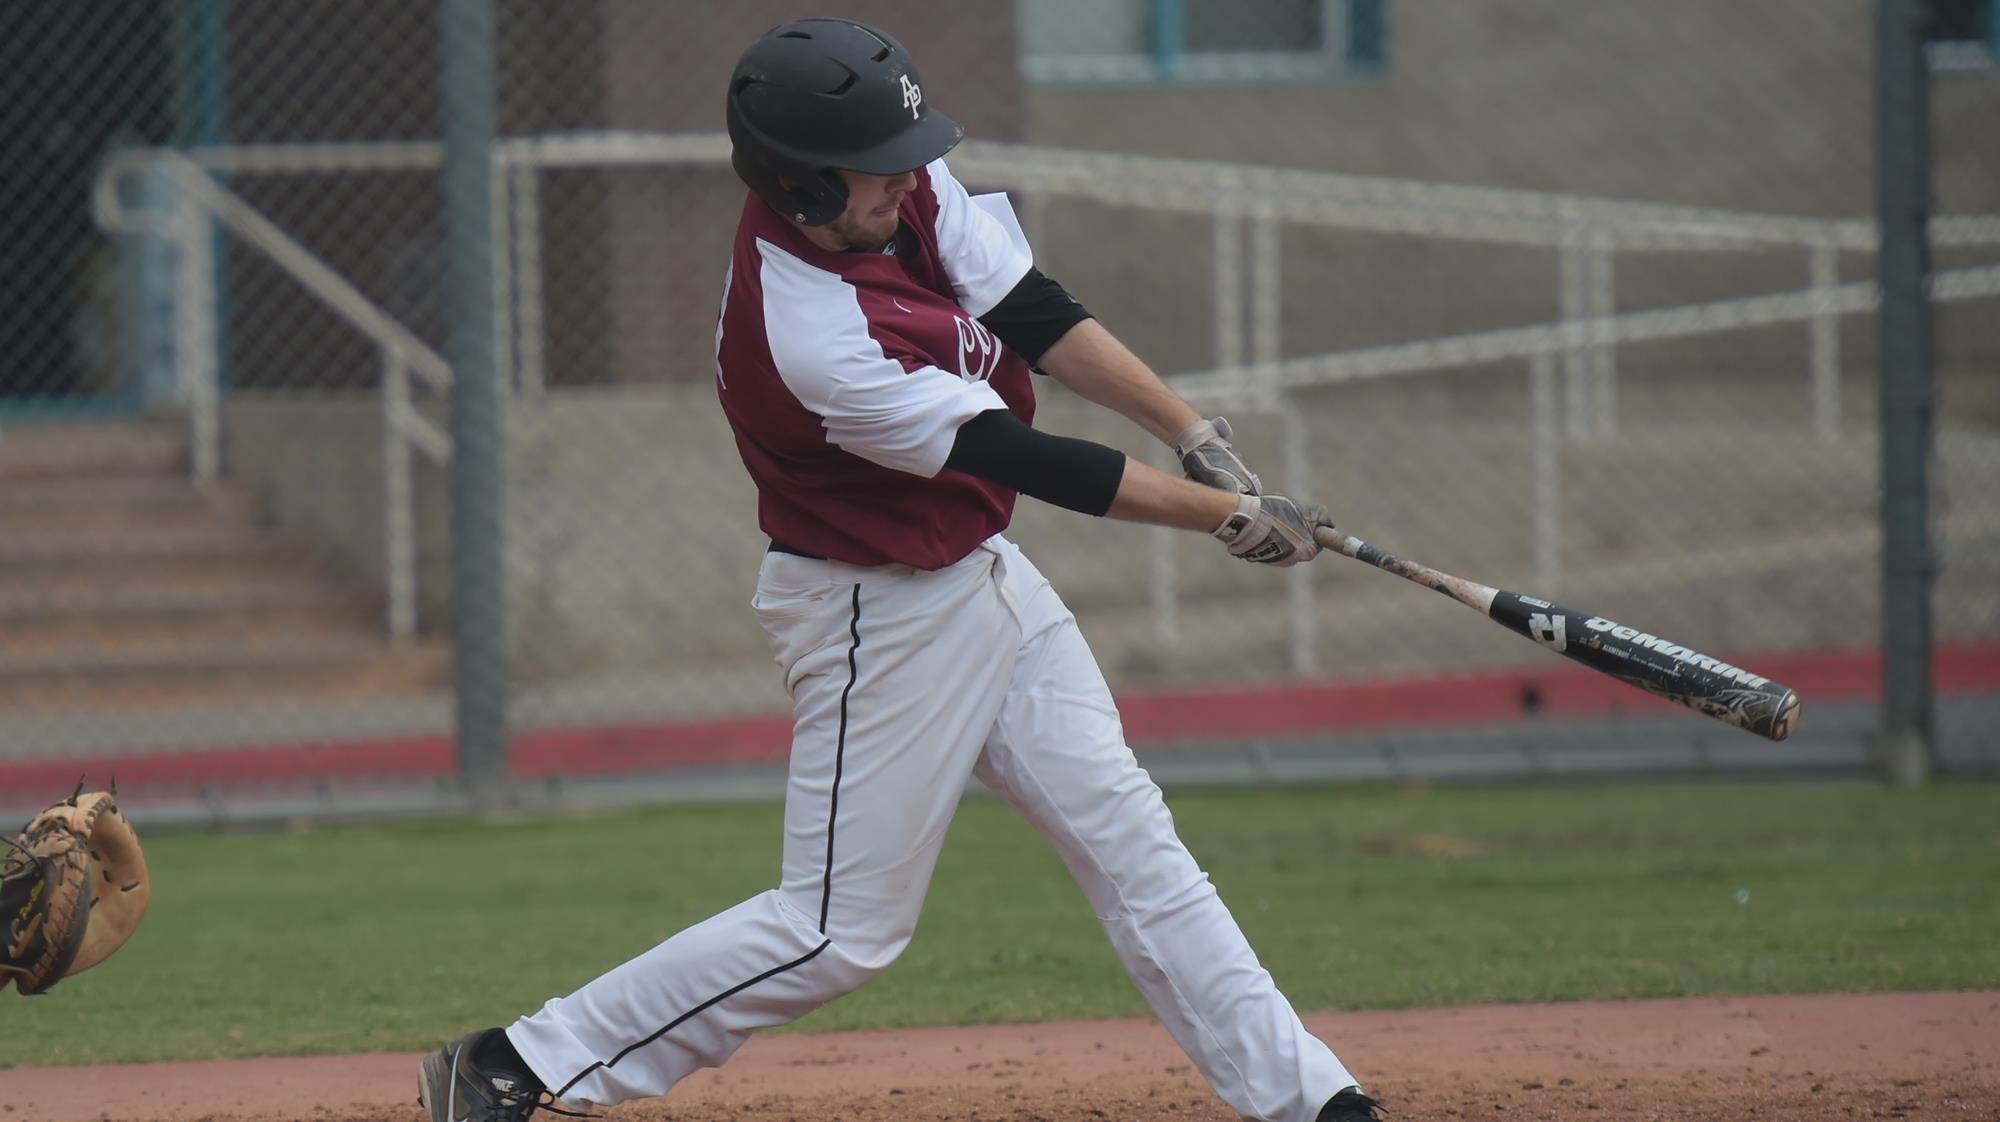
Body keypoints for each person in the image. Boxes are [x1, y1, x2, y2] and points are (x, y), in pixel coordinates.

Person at [419, 18, 1380, 1122]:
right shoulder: (812, 334)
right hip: (874, 612)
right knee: (836, 932)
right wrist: (1226, 519)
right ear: (798, 183)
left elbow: (1033, 312)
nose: (906, 177)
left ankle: (1314, 1103)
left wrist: (1191, 432)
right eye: (875, 166)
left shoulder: (894, 189)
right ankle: (517, 1063)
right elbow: (1025, 459)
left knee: (1138, 851)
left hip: (984, 578)